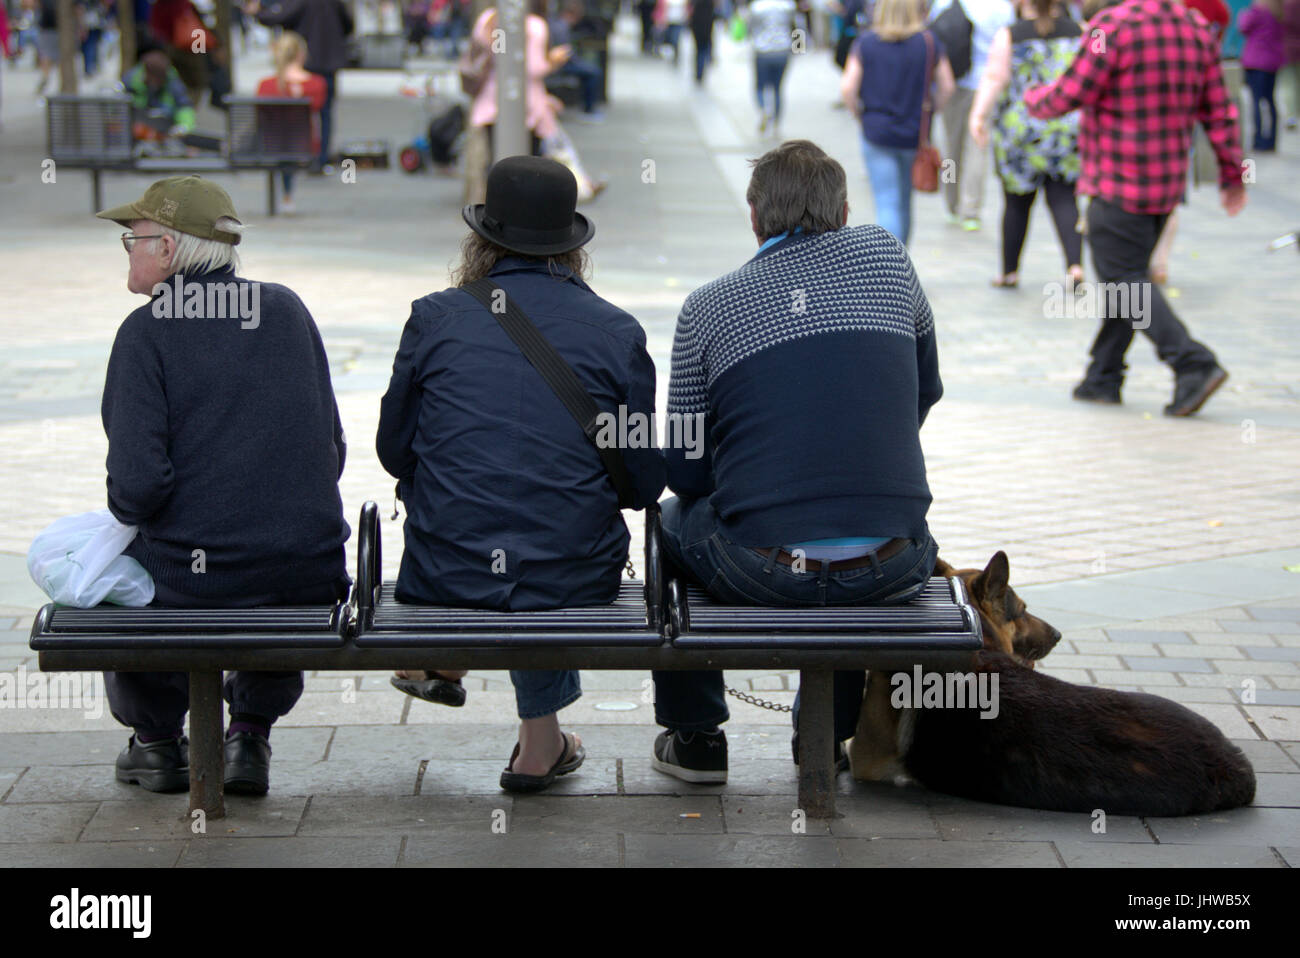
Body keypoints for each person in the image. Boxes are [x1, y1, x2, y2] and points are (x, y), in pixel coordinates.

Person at [651, 140, 943, 783]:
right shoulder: (889, 260)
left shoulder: (706, 307)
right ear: (842, 213)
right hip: (895, 562)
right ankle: (825, 739)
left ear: (754, 218)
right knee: (845, 518)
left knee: (668, 528)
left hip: (764, 568)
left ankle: (697, 738)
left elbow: (686, 471)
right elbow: (924, 392)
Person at [377, 156, 665, 793]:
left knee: (490, 503)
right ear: (572, 249)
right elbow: (644, 486)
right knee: (545, 524)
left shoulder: (434, 317)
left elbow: (394, 455)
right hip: (572, 573)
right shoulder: (617, 332)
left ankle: (444, 659)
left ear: (481, 240)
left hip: (446, 568)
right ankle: (539, 746)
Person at [95, 175, 351, 795]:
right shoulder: (286, 309)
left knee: (111, 576)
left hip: (191, 578)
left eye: (134, 238)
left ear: (168, 248)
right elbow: (333, 450)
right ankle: (249, 735)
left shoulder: (145, 332)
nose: (128, 249)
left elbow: (136, 488)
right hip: (304, 571)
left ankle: (156, 741)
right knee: (273, 570)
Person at [1026, 0, 1246, 416]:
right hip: (1164, 188)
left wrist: (1032, 97)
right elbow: (1220, 111)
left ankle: (1193, 363)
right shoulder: (1195, 27)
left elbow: (1070, 93)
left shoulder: (1113, 26)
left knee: (1125, 283)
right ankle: (1103, 377)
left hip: (1118, 182)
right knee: (1126, 283)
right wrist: (1232, 174)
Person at [969, 0, 1082, 289]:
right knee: (1064, 198)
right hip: (1065, 127)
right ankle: (1074, 265)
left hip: (1020, 131)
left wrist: (978, 115)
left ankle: (1009, 271)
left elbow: (995, 77)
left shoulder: (1010, 35)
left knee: (1016, 203)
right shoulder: (1081, 32)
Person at [841, 0, 956, 245]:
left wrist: (859, 115)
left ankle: (888, 266)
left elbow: (848, 88)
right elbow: (947, 86)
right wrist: (932, 109)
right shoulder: (928, 42)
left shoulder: (866, 42)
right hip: (914, 133)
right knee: (905, 202)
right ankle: (902, 261)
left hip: (877, 132)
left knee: (887, 202)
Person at [936, 0, 1016, 231]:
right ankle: (971, 209)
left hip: (953, 81)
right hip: (988, 83)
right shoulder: (1002, 7)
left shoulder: (945, 2)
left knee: (951, 147)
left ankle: (951, 203)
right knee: (977, 148)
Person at [248, 0, 354, 173]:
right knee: (325, 113)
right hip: (329, 62)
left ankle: (298, 153)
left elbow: (278, 17)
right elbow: (349, 25)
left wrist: (258, 12)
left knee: (298, 111)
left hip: (307, 62)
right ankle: (320, 157)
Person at [256, 32, 328, 212]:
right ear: (301, 55)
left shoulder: (266, 85)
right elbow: (318, 107)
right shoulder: (316, 84)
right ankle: (288, 195)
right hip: (303, 145)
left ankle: (284, 195)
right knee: (292, 138)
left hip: (268, 144)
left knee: (280, 137)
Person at [1238, 0, 1287, 151]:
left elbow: (1243, 27)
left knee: (1256, 101)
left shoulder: (1257, 12)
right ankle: (1271, 140)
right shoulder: (1279, 12)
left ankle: (1258, 139)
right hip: (1272, 61)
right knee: (1270, 100)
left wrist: (1244, 14)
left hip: (1256, 61)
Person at [120, 48, 197, 137]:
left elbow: (184, 105)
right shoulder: (131, 80)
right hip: (136, 126)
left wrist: (184, 126)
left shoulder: (172, 80)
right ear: (147, 73)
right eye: (156, 79)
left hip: (165, 126)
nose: (159, 82)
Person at [748, 0, 798, 133]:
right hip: (782, 50)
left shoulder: (756, 7)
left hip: (762, 51)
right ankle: (776, 122)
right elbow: (797, 26)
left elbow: (750, 28)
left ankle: (764, 109)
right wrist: (799, 48)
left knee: (760, 86)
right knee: (778, 88)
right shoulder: (788, 6)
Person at [689, 0, 716, 83]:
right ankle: (700, 72)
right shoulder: (710, 3)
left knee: (699, 51)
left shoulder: (696, 3)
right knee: (702, 51)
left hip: (698, 28)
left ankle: (698, 73)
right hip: (706, 29)